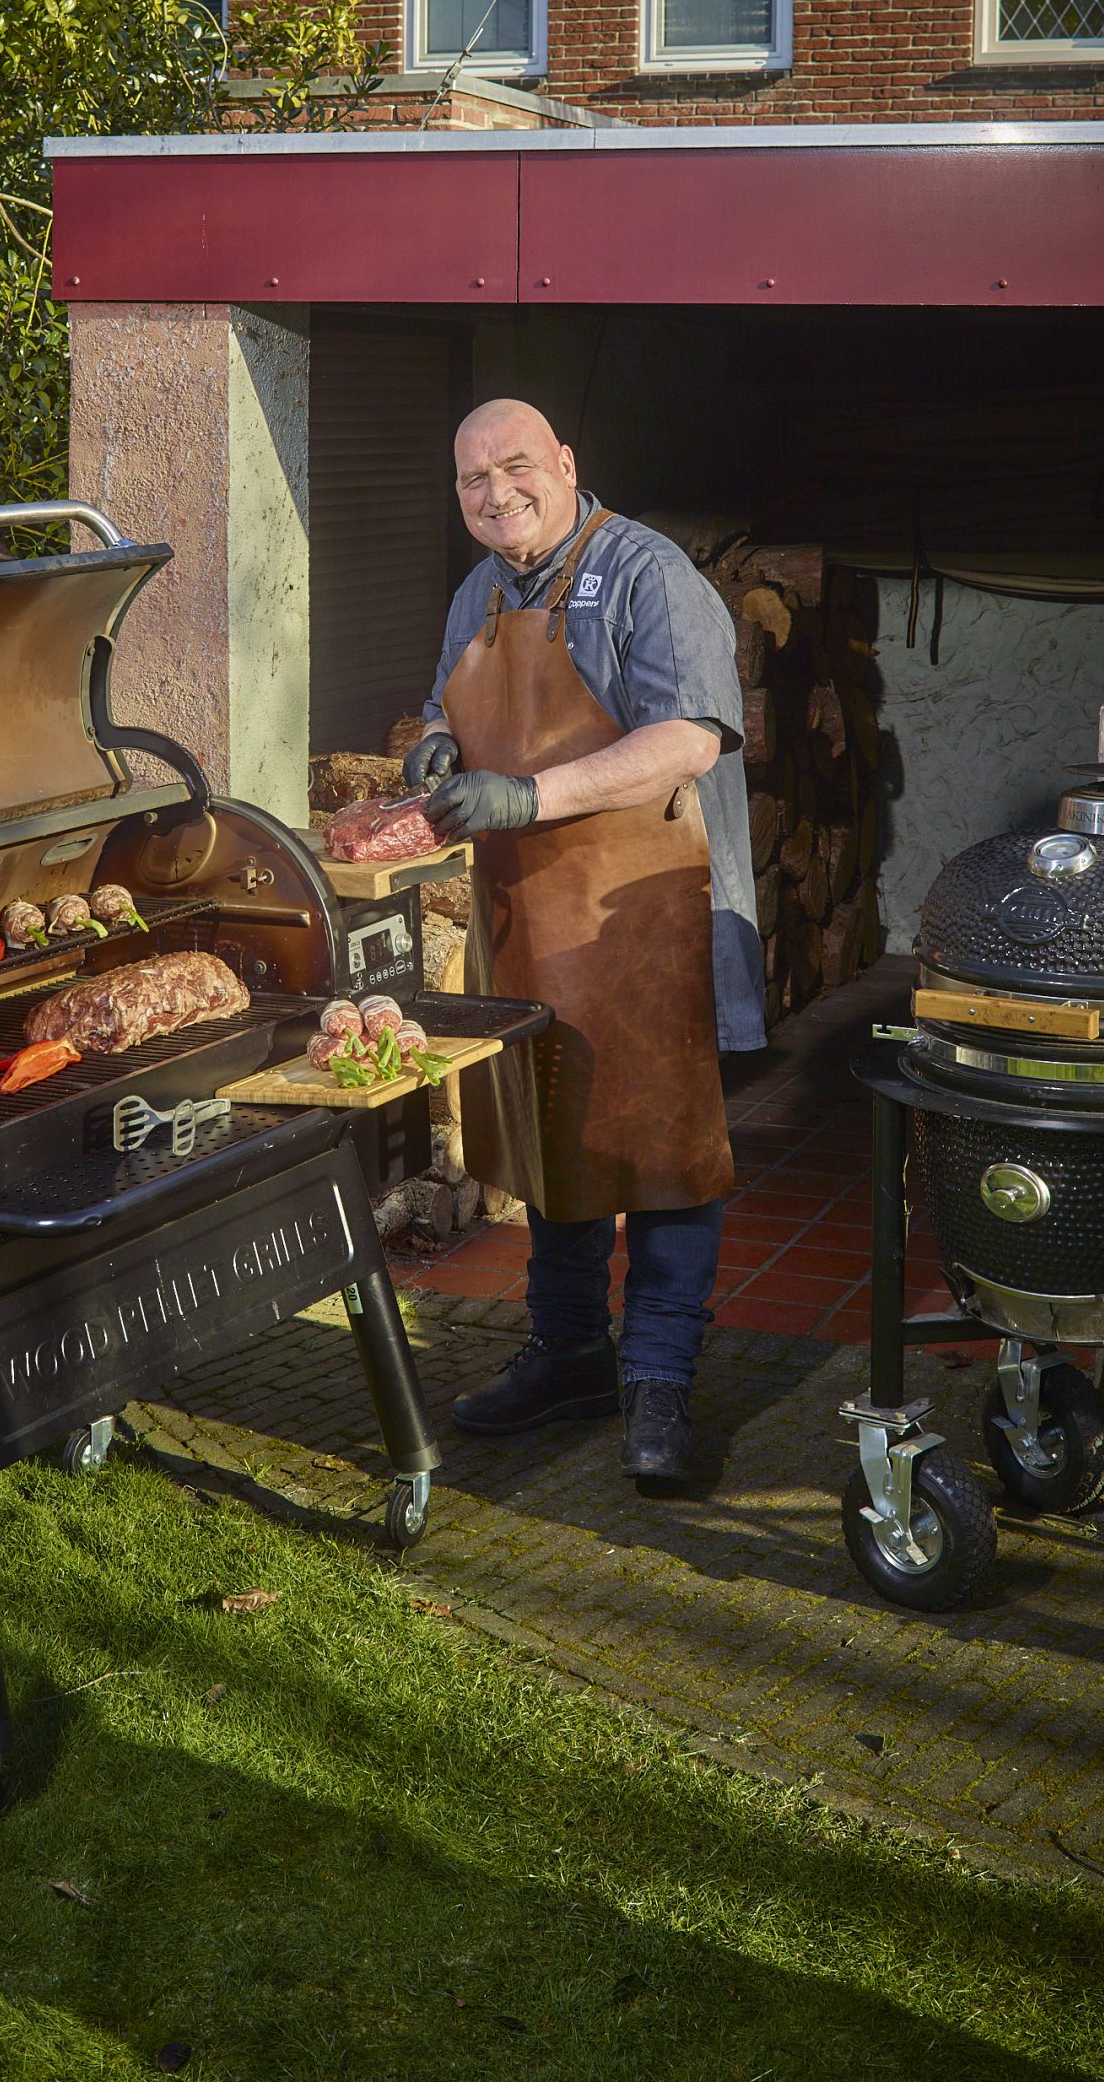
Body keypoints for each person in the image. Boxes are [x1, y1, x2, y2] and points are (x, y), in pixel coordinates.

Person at [408, 398, 764, 1485]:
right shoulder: (480, 588)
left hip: (647, 913)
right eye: (473, 479)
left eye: (516, 468)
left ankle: (657, 1383)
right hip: (529, 917)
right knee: (549, 1134)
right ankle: (567, 1353)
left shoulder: (653, 576)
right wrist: (432, 745)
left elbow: (686, 740)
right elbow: (444, 703)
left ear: (567, 462)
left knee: (662, 1148)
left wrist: (524, 793)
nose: (496, 493)